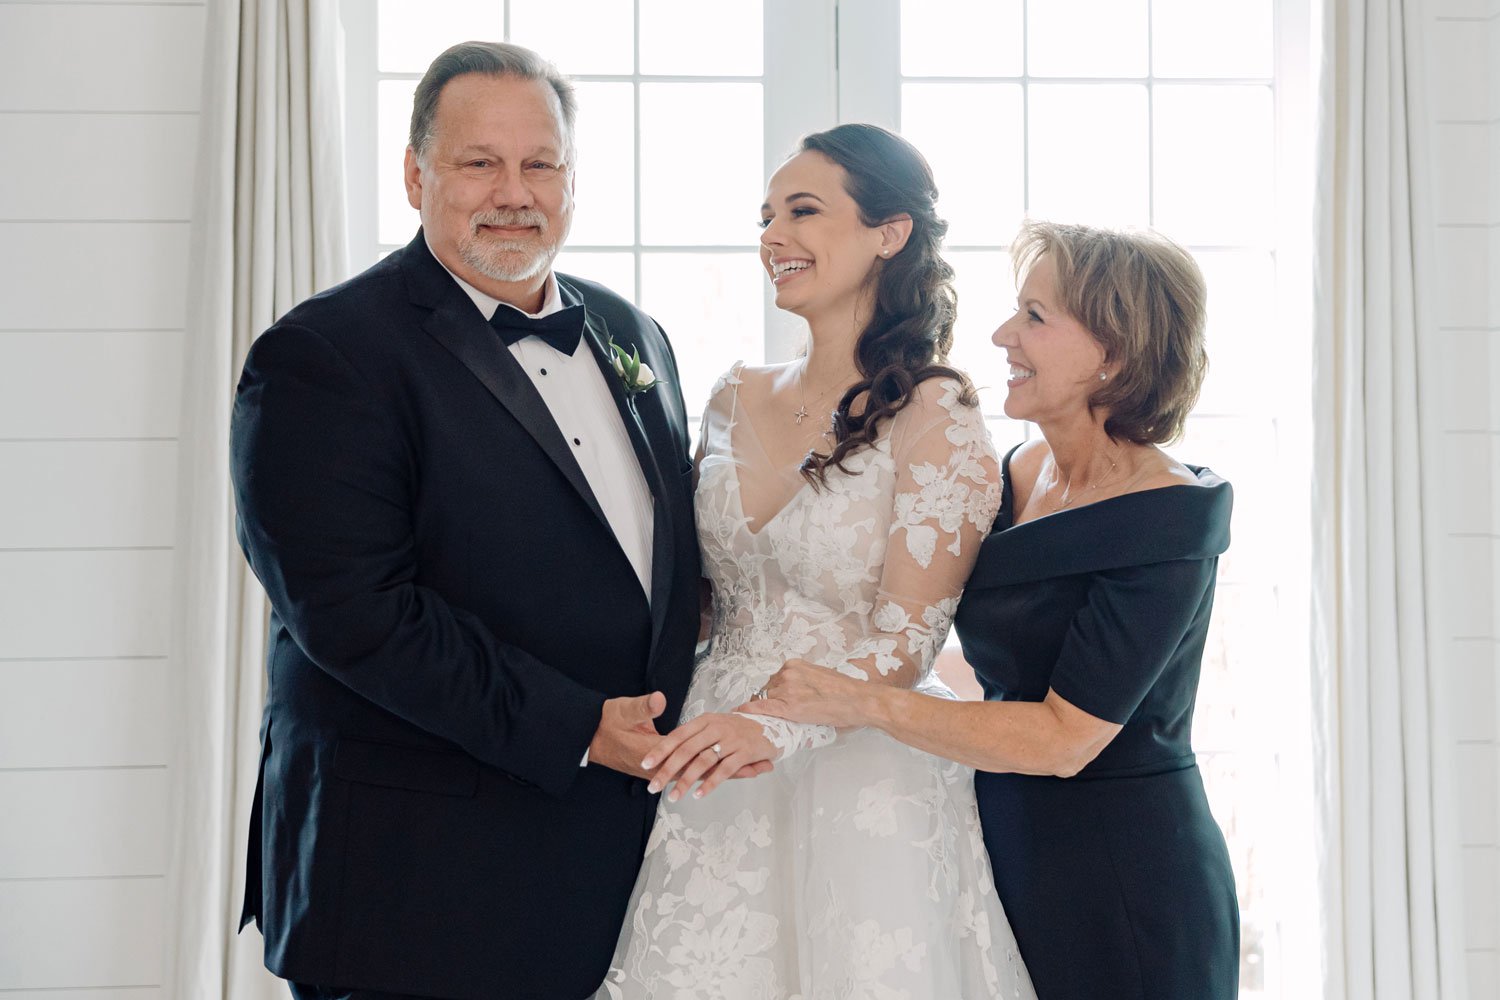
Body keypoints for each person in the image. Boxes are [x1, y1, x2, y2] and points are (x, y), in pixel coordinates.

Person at [230, 41, 746, 1000]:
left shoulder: (635, 335)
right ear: (416, 174)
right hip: (413, 879)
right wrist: (582, 728)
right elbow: (356, 617)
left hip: (620, 865)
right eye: (480, 162)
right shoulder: (322, 356)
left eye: (539, 163)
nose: (514, 191)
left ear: (571, 181)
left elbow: (656, 561)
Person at [598, 124, 1036, 999]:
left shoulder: (936, 414)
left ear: (890, 233)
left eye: (803, 210)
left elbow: (910, 640)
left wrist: (774, 725)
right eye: (766, 216)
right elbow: (698, 597)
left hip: (864, 764)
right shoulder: (730, 394)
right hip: (712, 758)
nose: (773, 236)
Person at [752, 220, 1240, 998]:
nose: (1003, 334)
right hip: (1000, 841)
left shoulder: (1167, 518)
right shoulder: (1014, 469)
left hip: (1123, 873)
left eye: (1036, 318)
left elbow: (1062, 737)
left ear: (1113, 351)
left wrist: (859, 701)